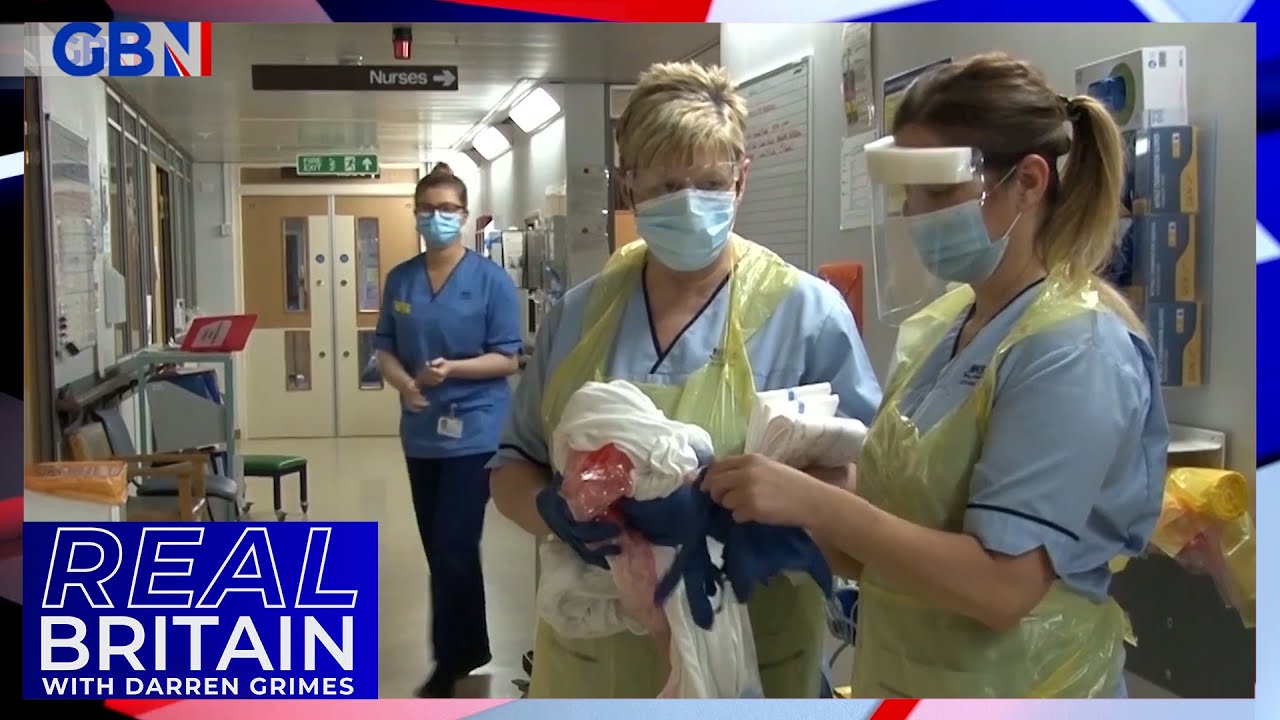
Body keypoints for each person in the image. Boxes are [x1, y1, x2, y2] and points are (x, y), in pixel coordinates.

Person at [702, 52, 1170, 698]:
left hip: (1028, 688)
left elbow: (1002, 588)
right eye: (907, 193)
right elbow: (888, 548)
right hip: (908, 678)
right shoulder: (948, 327)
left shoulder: (1075, 351)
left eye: (938, 192)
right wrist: (802, 499)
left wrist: (820, 503)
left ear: (1029, 182)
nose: (915, 214)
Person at [489, 61, 883, 699]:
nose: (691, 201)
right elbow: (513, 465)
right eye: (669, 183)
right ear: (630, 187)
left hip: (757, 645)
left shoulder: (804, 314)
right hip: (597, 663)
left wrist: (775, 508)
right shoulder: (581, 318)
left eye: (709, 182)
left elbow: (865, 480)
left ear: (741, 180)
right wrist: (555, 513)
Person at [373, 165, 523, 698]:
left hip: (476, 430)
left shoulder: (490, 280)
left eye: (447, 210)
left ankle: (447, 662)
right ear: (415, 213)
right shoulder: (402, 279)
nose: (436, 218)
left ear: (463, 215)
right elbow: (384, 346)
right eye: (427, 209)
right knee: (440, 548)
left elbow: (508, 358)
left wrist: (452, 371)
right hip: (420, 432)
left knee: (455, 542)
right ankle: (471, 644)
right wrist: (403, 384)